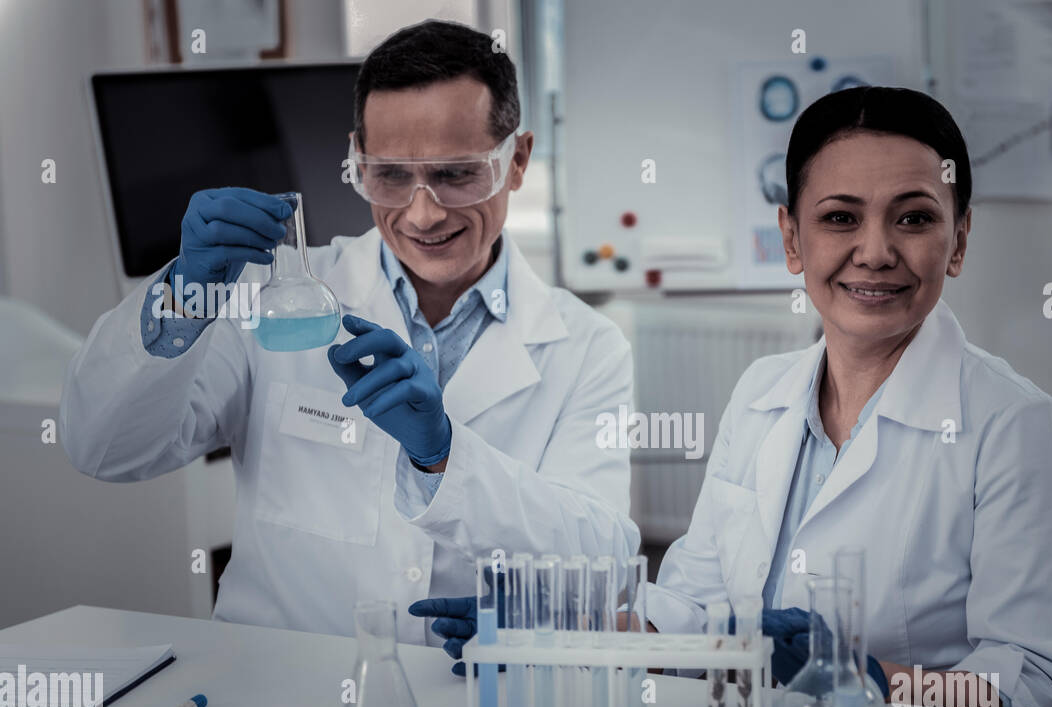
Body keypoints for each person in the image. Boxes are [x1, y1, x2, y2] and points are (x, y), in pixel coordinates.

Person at [645, 86, 1052, 707]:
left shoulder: (1012, 424)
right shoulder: (758, 393)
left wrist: (875, 682)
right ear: (792, 241)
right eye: (839, 217)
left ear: (958, 242)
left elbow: (1035, 692)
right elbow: (695, 605)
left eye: (915, 217)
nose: (875, 250)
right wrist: (549, 633)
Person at [59, 19, 640, 649]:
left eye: (457, 173)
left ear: (517, 161)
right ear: (357, 160)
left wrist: (443, 454)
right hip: (277, 687)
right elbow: (103, 449)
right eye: (389, 176)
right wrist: (183, 296)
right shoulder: (265, 304)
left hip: (468, 693)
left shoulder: (588, 346)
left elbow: (602, 563)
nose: (423, 213)